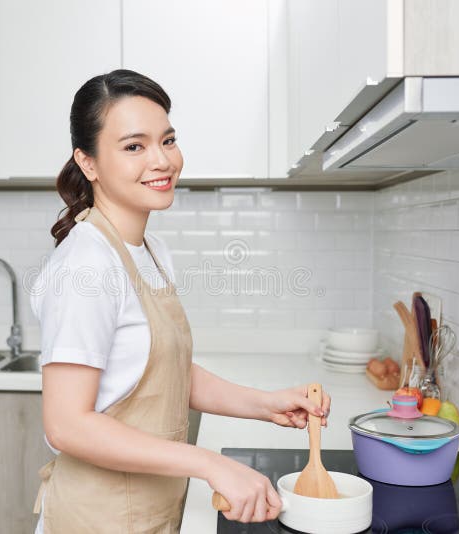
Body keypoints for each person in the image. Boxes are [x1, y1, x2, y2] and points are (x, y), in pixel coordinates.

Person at [30, 69, 331, 533]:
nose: (162, 160)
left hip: (150, 507)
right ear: (88, 163)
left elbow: (162, 374)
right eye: (134, 146)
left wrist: (264, 404)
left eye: (167, 140)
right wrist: (210, 463)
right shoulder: (86, 265)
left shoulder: (150, 250)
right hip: (100, 518)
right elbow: (66, 425)